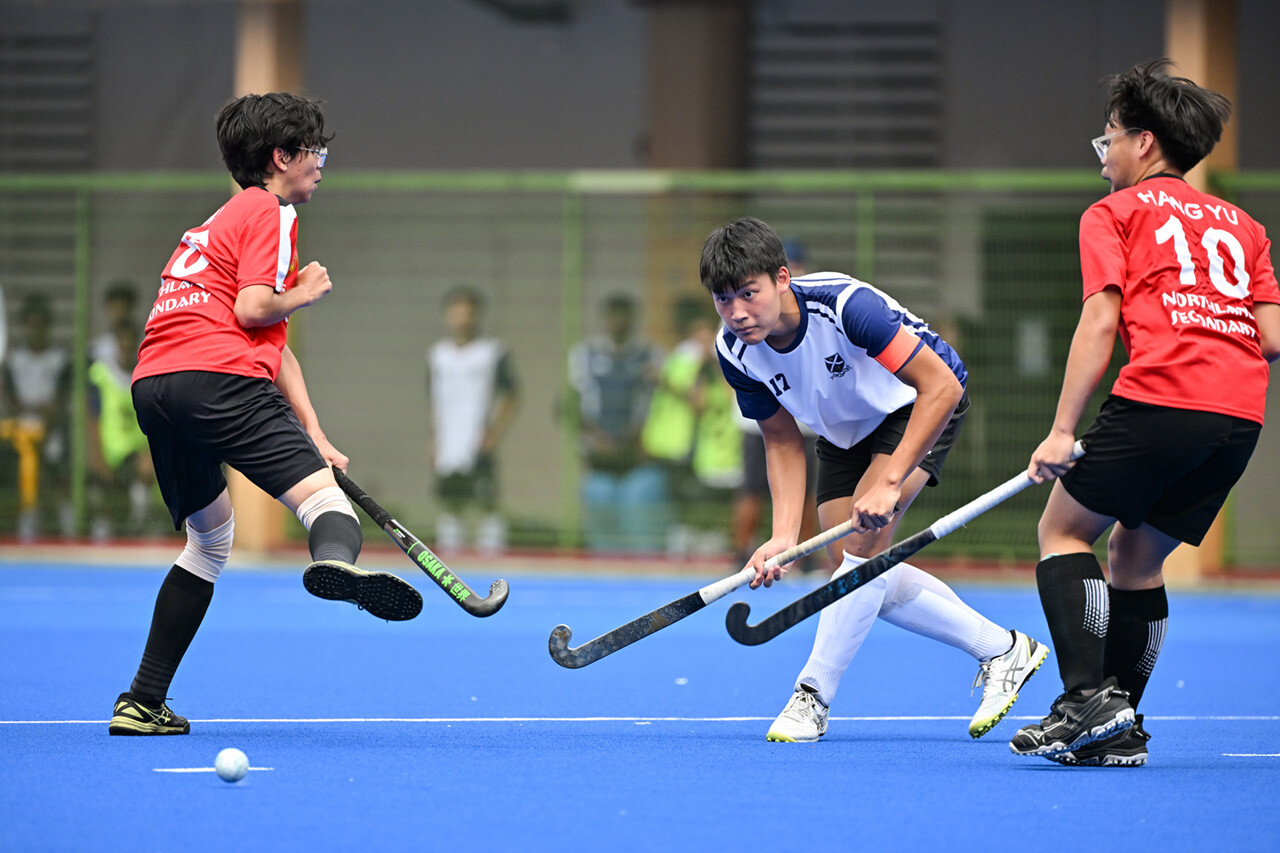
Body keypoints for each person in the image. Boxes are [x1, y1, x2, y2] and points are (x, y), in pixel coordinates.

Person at [109, 92, 422, 737]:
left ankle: (141, 701)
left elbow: (272, 351)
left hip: (156, 385)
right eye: (315, 153)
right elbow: (256, 309)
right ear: (281, 158)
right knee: (326, 507)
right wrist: (301, 293)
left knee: (209, 540)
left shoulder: (212, 227)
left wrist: (315, 434)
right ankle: (333, 560)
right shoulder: (269, 211)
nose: (320, 166)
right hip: (216, 378)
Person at [1011, 59, 1280, 767]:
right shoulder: (1245, 226)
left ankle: (1084, 698)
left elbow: (1101, 322)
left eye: (1110, 141)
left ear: (1146, 143)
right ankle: (1121, 723)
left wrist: (1062, 431)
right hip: (1239, 417)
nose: (1104, 161)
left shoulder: (1114, 214)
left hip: (1161, 395)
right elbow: (1272, 339)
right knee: (1135, 556)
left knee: (1063, 530)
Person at [702, 216, 1047, 743]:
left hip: (915, 404)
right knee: (850, 569)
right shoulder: (734, 351)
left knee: (864, 544)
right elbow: (781, 439)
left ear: (782, 278)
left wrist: (889, 480)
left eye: (749, 293)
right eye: (724, 299)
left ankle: (811, 695)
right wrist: (782, 536)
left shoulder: (845, 308)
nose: (738, 312)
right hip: (842, 430)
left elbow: (941, 386)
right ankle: (1002, 648)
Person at [730, 240, 818, 569]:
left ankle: (804, 556)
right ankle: (742, 552)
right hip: (758, 422)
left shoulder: (813, 311)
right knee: (751, 488)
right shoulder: (741, 311)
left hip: (808, 422)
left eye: (798, 263)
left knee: (810, 491)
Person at [566, 294, 666, 554]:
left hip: (639, 463)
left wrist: (637, 437)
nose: (619, 323)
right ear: (604, 320)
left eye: (624, 317)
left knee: (642, 541)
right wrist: (595, 439)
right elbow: (570, 406)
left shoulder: (650, 355)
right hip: (601, 462)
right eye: (613, 317)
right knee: (603, 544)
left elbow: (661, 405)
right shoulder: (584, 356)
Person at [427, 285, 519, 554]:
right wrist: (433, 439)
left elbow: (511, 395)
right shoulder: (437, 355)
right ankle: (450, 560)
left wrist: (494, 432)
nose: (461, 319)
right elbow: (433, 398)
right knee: (450, 502)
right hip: (448, 442)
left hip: (477, 440)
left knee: (486, 502)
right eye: (456, 313)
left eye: (467, 313)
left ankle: (492, 560)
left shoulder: (492, 351)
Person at [1, 293, 72, 540]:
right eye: (32, 322)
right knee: (23, 461)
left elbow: (62, 400)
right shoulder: (14, 360)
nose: (36, 328)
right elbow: (11, 402)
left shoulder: (59, 358)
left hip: (52, 428)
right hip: (21, 430)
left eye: (41, 322)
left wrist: (46, 417)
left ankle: (67, 525)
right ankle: (27, 519)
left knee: (58, 467)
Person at [86, 322, 155, 539]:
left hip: (138, 451)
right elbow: (91, 416)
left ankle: (140, 524)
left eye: (130, 342)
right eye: (121, 342)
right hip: (109, 451)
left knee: (149, 468)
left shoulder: (147, 374)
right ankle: (104, 528)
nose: (125, 347)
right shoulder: (100, 375)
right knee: (105, 493)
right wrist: (96, 454)